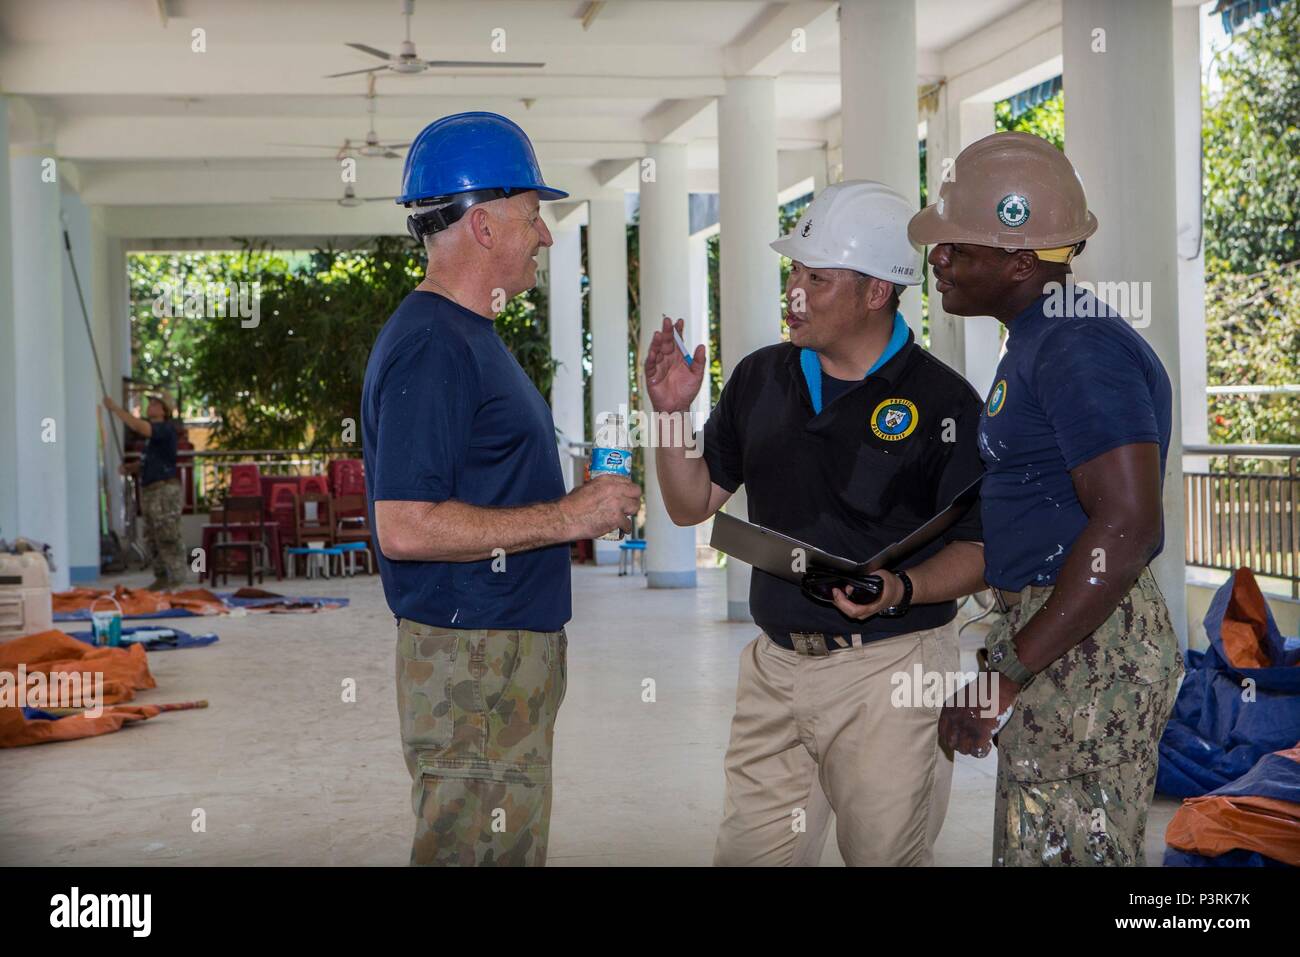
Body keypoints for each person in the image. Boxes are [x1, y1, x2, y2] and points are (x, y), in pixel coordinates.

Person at [646, 180, 986, 866]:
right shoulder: (760, 378)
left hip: (890, 673)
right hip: (774, 668)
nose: (794, 291)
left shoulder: (945, 402)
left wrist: (899, 588)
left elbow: (980, 549)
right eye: (793, 271)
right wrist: (671, 413)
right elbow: (689, 503)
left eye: (817, 277)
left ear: (876, 292)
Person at [363, 111, 641, 867]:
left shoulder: (463, 335)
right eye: (533, 214)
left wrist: (573, 506)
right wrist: (568, 516)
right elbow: (406, 526)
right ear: (483, 227)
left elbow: (472, 488)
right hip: (470, 661)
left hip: (492, 655)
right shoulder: (433, 344)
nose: (545, 235)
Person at [908, 131, 1183, 866]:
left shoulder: (1074, 344)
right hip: (1064, 630)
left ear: (1020, 261)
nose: (938, 259)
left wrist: (1007, 674)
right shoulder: (1038, 337)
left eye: (958, 248)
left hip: (1091, 648)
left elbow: (1124, 524)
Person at [104, 391, 186, 590]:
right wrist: (132, 468)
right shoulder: (153, 439)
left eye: (155, 404)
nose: (150, 407)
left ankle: (176, 577)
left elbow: (138, 426)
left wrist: (115, 409)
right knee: (152, 535)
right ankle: (161, 576)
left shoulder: (165, 429)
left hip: (164, 490)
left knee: (167, 534)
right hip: (150, 490)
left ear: (164, 410)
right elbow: (150, 462)